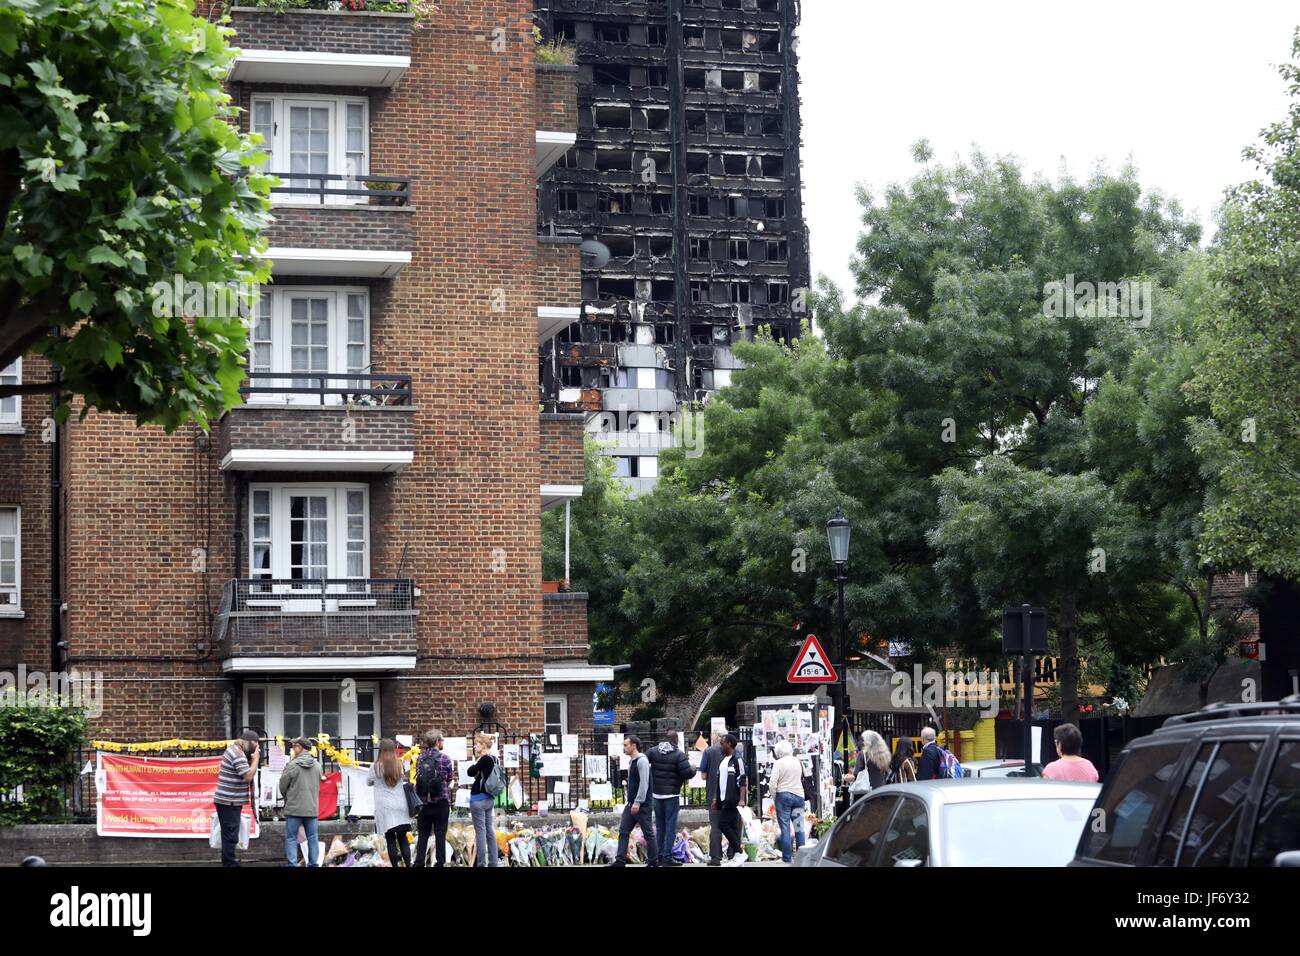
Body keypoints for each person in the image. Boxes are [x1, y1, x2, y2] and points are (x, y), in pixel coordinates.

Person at [213, 730, 260, 867]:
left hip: (228, 800)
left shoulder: (234, 751)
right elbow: (248, 776)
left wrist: (251, 760)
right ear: (248, 741)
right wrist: (256, 759)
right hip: (229, 801)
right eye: (255, 742)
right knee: (231, 834)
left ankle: (228, 861)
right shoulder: (238, 754)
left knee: (229, 833)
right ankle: (229, 863)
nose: (257, 745)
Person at [646, 731, 693, 866]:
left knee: (660, 827)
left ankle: (659, 855)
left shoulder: (653, 751)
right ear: (676, 740)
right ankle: (667, 857)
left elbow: (642, 763)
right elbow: (687, 773)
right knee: (671, 827)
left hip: (657, 794)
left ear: (665, 739)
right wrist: (694, 768)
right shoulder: (678, 754)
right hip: (671, 795)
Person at [610, 735, 656, 867]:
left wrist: (638, 801)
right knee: (623, 831)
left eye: (626, 745)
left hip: (641, 804)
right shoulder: (632, 761)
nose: (624, 748)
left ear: (634, 746)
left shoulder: (642, 761)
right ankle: (620, 860)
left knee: (648, 832)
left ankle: (653, 861)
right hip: (631, 804)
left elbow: (644, 783)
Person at [368, 738, 412, 867]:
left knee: (391, 839)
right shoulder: (399, 764)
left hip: (385, 807)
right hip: (401, 805)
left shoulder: (375, 767)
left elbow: (368, 782)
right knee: (403, 838)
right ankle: (408, 865)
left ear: (380, 750)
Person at [279, 736, 322, 867]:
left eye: (294, 747)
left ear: (300, 748)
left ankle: (292, 864)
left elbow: (282, 786)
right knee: (312, 838)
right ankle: (313, 864)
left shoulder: (292, 765)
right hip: (311, 808)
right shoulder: (318, 766)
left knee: (291, 838)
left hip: (294, 808)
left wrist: (288, 798)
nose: (292, 749)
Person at [413, 730, 454, 867]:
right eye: (441, 740)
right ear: (437, 742)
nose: (442, 742)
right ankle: (439, 862)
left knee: (423, 834)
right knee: (440, 834)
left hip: (423, 802)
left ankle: (419, 862)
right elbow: (449, 779)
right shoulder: (445, 758)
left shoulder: (420, 758)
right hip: (440, 801)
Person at [769, 739, 806, 864]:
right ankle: (801, 857)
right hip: (799, 795)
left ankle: (787, 857)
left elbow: (772, 783)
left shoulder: (778, 763)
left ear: (778, 751)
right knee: (799, 827)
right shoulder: (798, 761)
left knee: (785, 827)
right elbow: (804, 775)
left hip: (783, 795)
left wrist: (775, 797)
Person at [715, 733, 749, 866]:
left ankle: (740, 852)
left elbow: (742, 780)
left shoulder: (737, 759)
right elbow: (721, 781)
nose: (720, 745)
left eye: (722, 743)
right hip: (724, 799)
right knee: (733, 826)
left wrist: (741, 799)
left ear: (729, 744)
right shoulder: (724, 760)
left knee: (722, 824)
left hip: (733, 799)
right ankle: (737, 856)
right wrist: (716, 799)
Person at [467, 733, 500, 867]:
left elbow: (470, 771)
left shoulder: (484, 759)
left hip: (478, 799)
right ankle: (493, 862)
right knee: (489, 831)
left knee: (480, 832)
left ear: (484, 745)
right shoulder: (495, 759)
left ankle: (481, 864)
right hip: (489, 799)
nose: (474, 746)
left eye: (477, 744)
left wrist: (476, 764)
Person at [696, 732, 725, 865]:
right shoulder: (734, 750)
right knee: (732, 825)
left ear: (717, 737)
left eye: (713, 735)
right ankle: (733, 852)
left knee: (715, 826)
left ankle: (715, 857)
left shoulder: (708, 751)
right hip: (731, 795)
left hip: (713, 793)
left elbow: (703, 776)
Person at [846, 730, 892, 798]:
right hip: (882, 792)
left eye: (862, 740)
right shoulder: (886, 756)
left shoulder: (863, 754)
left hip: (867, 793)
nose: (860, 742)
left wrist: (846, 777)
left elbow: (856, 774)